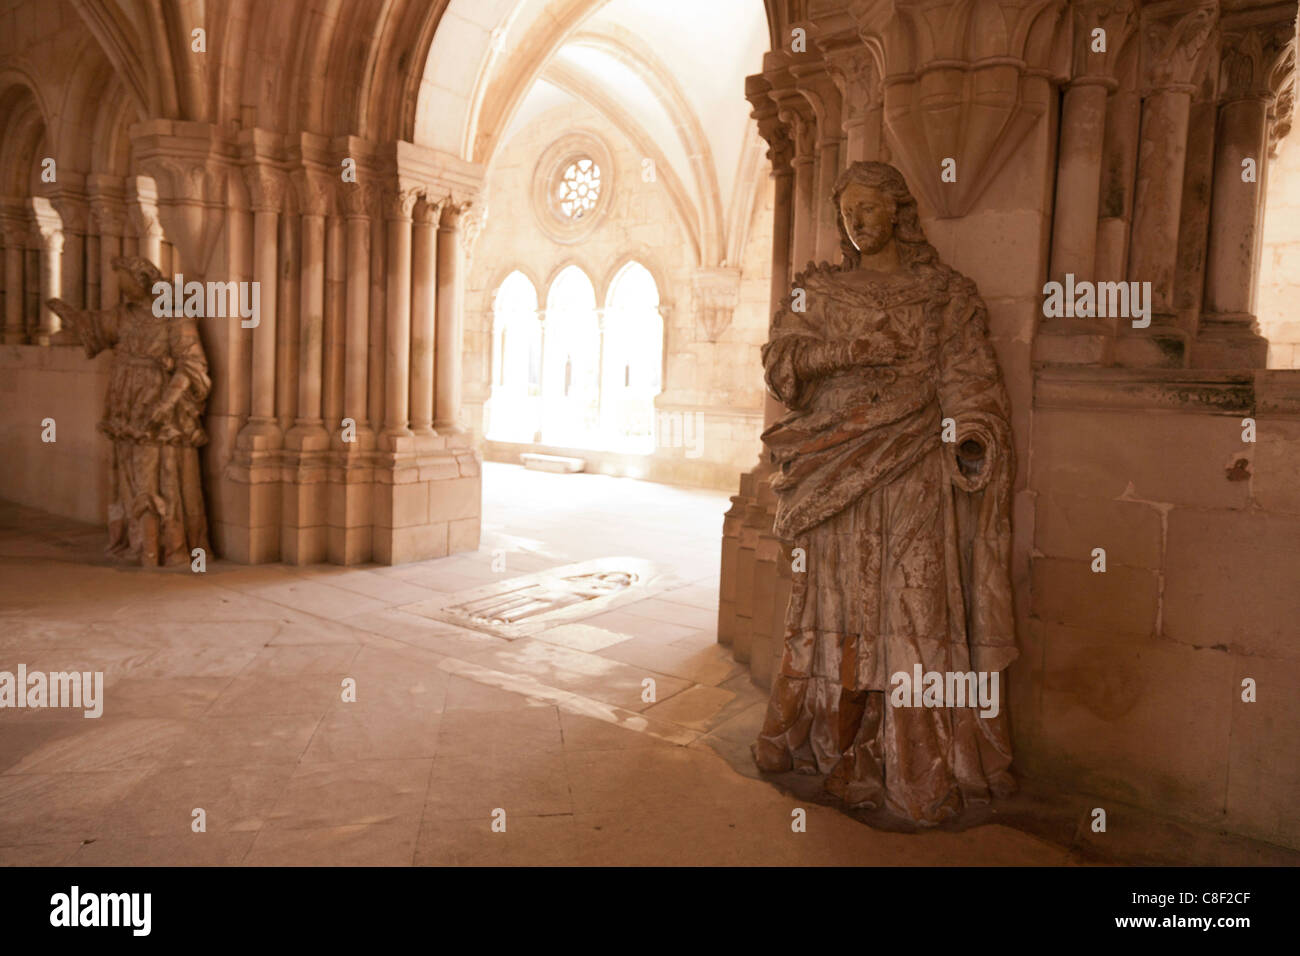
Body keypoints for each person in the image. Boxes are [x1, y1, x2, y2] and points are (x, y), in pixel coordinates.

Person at [752, 161, 1017, 825]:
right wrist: (844, 354)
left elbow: (970, 382)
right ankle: (833, 744)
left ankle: (904, 758)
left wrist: (969, 437)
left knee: (910, 613)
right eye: (848, 211)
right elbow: (781, 365)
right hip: (831, 469)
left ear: (899, 209)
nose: (858, 220)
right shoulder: (818, 290)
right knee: (833, 613)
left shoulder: (945, 295)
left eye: (871, 206)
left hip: (912, 469)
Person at [47, 256, 211, 567]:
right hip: (125, 403)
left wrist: (165, 403)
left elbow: (192, 365)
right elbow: (93, 326)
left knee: (157, 474)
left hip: (156, 405)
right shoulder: (125, 315)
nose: (119, 286)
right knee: (128, 472)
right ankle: (136, 540)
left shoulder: (174, 317)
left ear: (144, 280)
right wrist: (68, 314)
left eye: (124, 279)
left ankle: (164, 545)